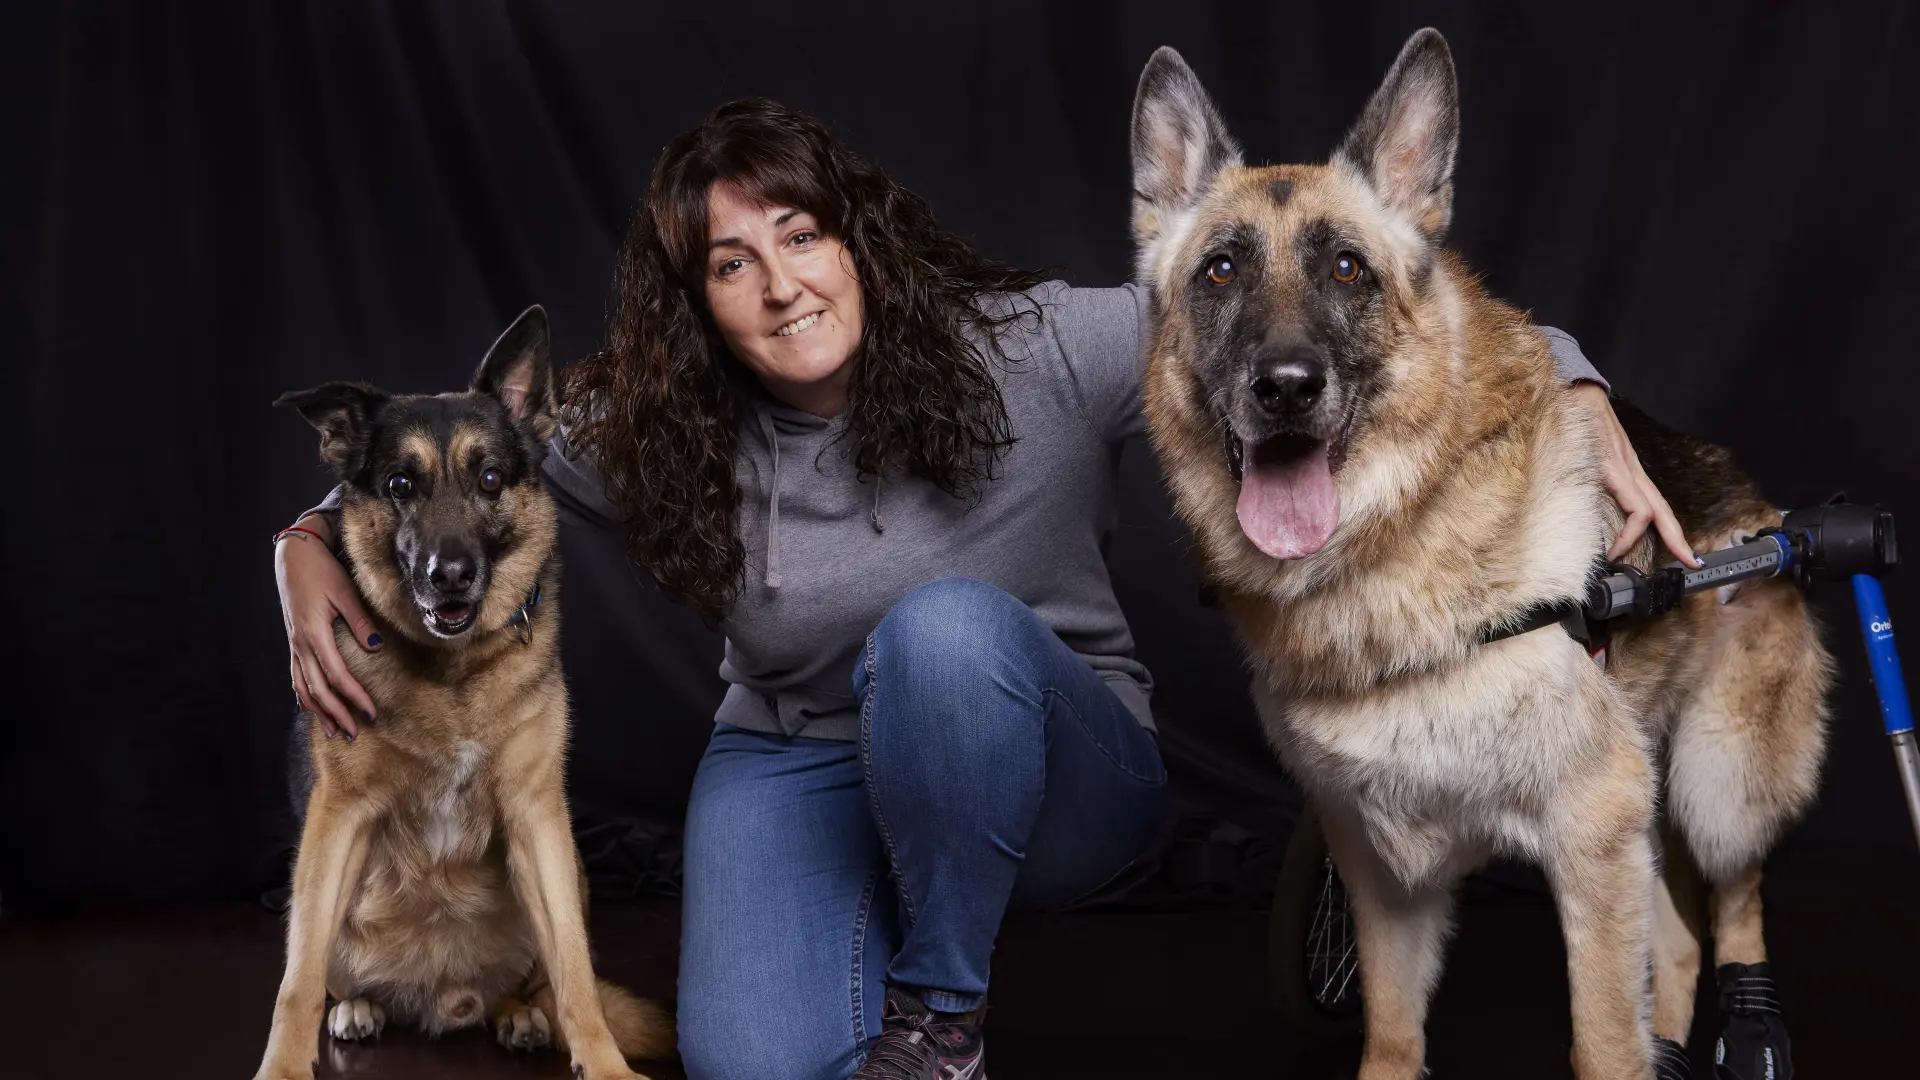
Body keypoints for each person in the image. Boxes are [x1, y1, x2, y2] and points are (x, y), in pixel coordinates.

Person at [274, 98, 1698, 1080]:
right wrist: (299, 553)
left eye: (802, 236)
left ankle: (941, 1016)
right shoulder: (657, 422)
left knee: (943, 636)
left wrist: (1572, 383)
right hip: (800, 767)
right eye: (731, 262)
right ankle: (889, 931)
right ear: (693, 301)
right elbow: (438, 464)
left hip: (1052, 768)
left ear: (859, 238)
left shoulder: (1038, 346)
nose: (779, 285)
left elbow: (1333, 301)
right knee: (755, 1062)